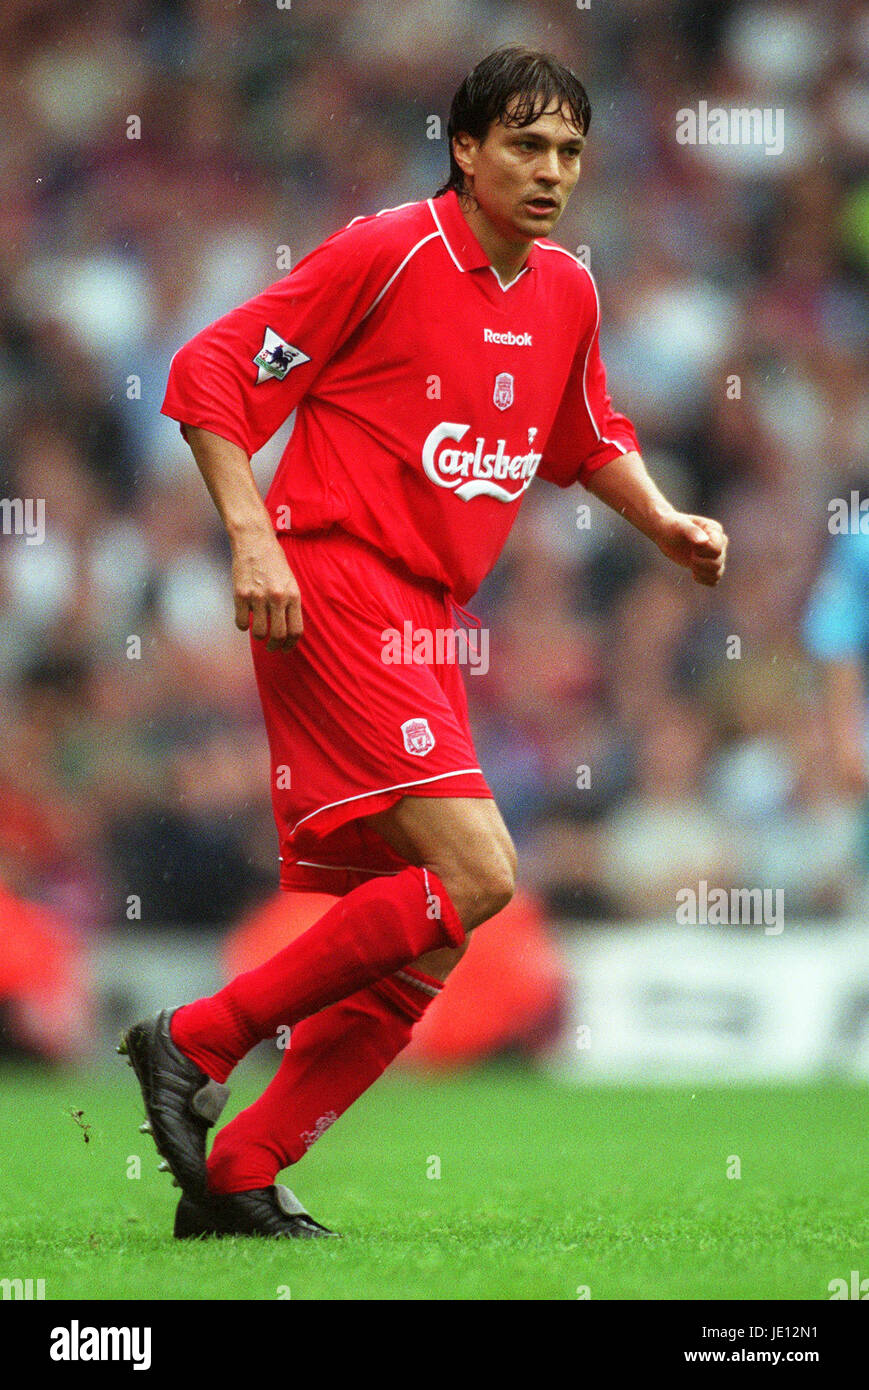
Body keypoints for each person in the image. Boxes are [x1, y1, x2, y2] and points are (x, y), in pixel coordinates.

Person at [119, 47, 728, 1239]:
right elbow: (210, 372)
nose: (549, 172)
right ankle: (195, 1038)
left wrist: (661, 521)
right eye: (523, 146)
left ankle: (241, 1168)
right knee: (480, 872)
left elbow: (584, 429)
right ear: (464, 147)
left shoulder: (564, 289)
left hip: (427, 615)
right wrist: (252, 540)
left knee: (440, 929)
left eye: (566, 152)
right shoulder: (385, 249)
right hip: (332, 580)